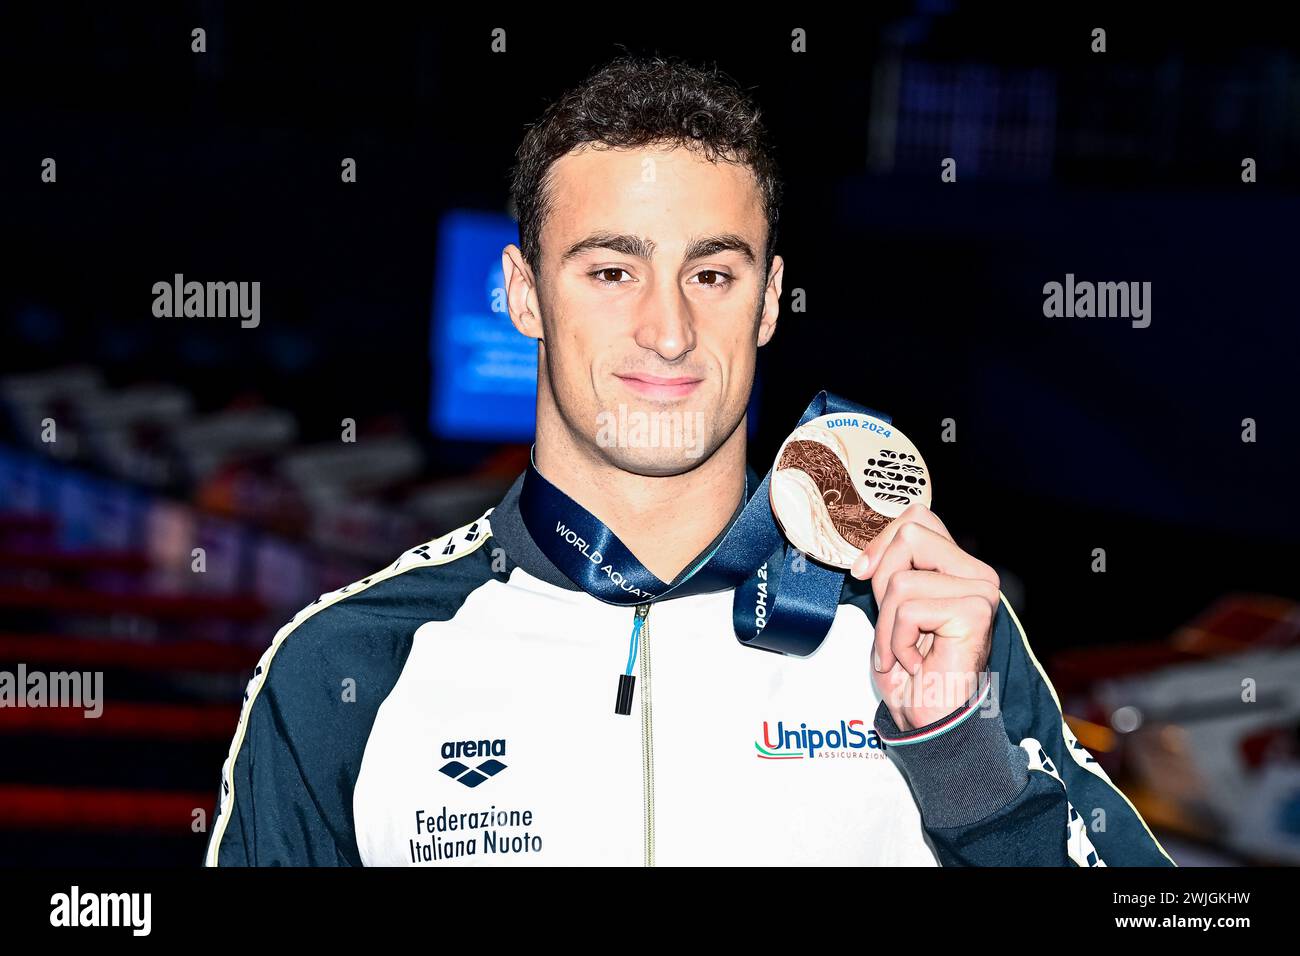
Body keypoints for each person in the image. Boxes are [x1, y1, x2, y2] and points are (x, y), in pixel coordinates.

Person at [204, 54, 1175, 867]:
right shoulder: (349, 665)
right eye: (611, 269)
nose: (666, 329)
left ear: (767, 300)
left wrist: (964, 766)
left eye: (711, 273)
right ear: (523, 292)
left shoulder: (923, 632)